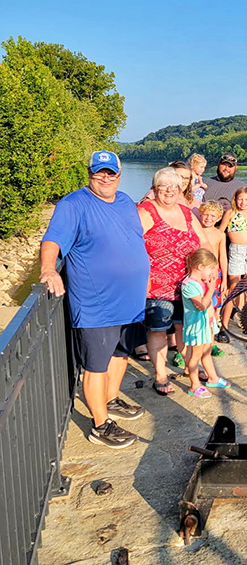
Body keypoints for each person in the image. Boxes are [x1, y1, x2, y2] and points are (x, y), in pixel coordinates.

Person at [39, 151, 149, 449]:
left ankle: (111, 400)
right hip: (97, 304)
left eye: (110, 173)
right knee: (95, 366)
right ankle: (100, 425)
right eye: (98, 172)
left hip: (130, 302)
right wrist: (49, 269)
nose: (104, 177)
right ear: (89, 173)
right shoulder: (74, 204)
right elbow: (52, 239)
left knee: (121, 353)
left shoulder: (126, 202)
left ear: (118, 175)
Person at [138, 168, 208, 395]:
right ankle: (160, 375)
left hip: (188, 287)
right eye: (163, 186)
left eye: (174, 186)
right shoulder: (145, 212)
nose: (169, 190)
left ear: (181, 189)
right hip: (158, 287)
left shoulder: (187, 213)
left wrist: (210, 275)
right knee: (158, 331)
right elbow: (132, 246)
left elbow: (204, 244)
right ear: (154, 188)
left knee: (186, 332)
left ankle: (192, 373)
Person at [181, 248, 231, 397]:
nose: (211, 273)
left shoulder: (201, 282)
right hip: (197, 326)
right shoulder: (189, 285)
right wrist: (211, 289)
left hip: (207, 324)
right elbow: (201, 305)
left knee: (207, 352)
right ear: (200, 267)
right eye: (210, 268)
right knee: (194, 356)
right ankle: (194, 385)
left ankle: (213, 377)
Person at [216, 186, 247, 341]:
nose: (243, 202)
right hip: (236, 251)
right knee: (234, 290)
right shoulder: (230, 213)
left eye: (246, 200)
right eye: (240, 199)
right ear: (235, 199)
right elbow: (220, 233)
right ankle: (224, 326)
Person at [197, 200, 229, 353]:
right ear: (200, 214)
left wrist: (224, 280)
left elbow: (223, 256)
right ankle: (188, 345)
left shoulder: (220, 234)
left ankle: (212, 343)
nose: (208, 218)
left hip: (215, 275)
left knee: (215, 308)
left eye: (212, 216)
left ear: (218, 218)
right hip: (198, 274)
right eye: (205, 214)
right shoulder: (196, 230)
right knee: (197, 308)